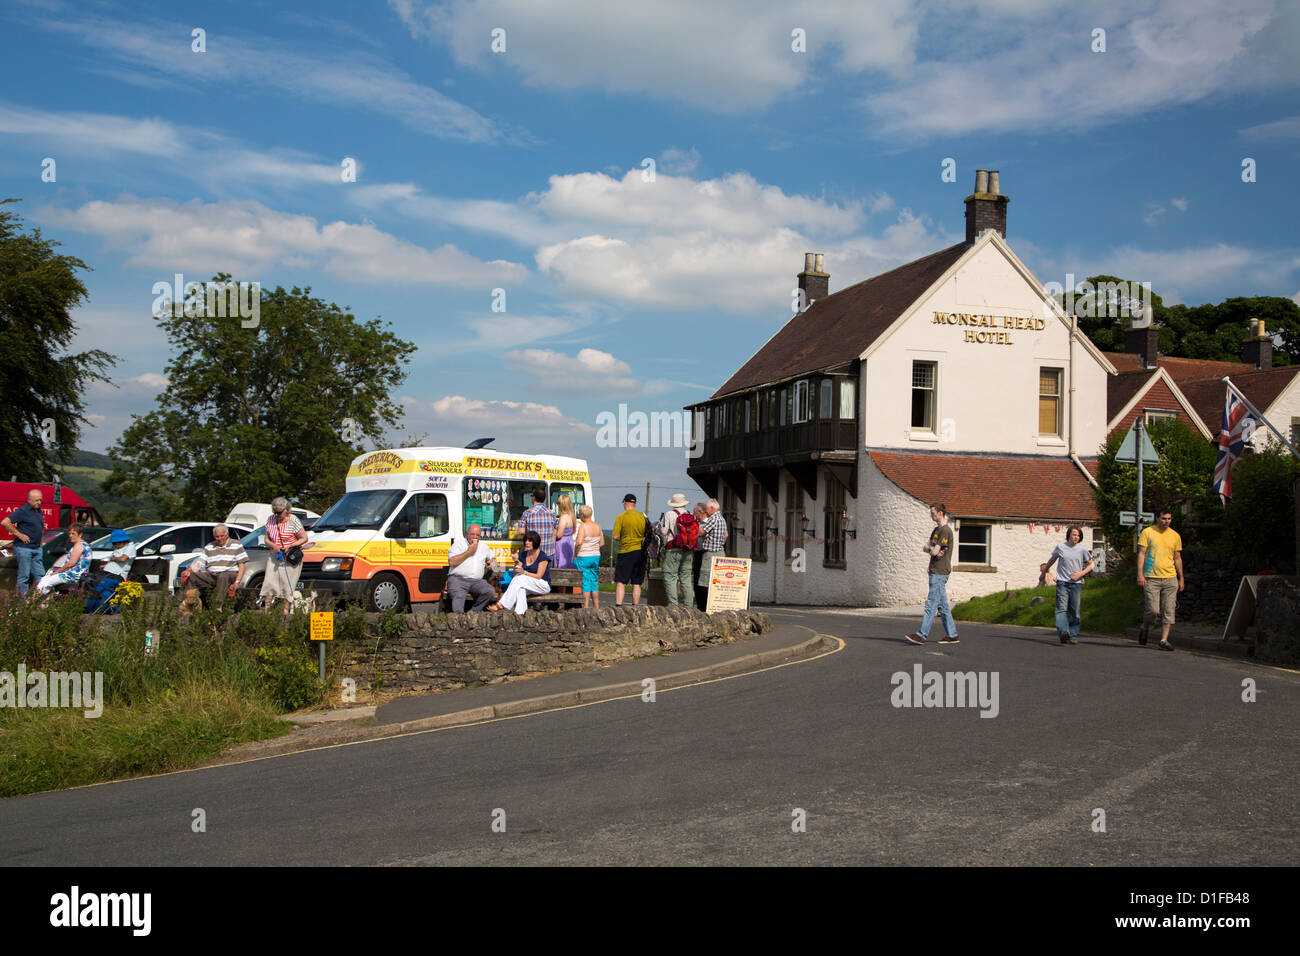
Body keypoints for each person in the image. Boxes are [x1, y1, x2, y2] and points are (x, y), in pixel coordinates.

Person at [905, 503, 959, 645]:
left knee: (931, 605)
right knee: (942, 606)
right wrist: (932, 552)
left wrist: (932, 550)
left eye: (933, 512)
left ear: (940, 513)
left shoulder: (945, 531)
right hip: (934, 569)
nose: (931, 515)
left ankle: (921, 635)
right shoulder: (936, 530)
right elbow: (927, 547)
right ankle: (952, 635)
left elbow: (934, 551)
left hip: (941, 571)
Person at [1137, 508, 1184, 652]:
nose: (1166, 521)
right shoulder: (1148, 532)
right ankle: (1145, 626)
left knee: (1169, 610)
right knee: (1153, 610)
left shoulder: (1175, 535)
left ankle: (1164, 639)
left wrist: (1181, 578)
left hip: (1170, 577)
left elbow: (1177, 557)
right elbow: (1142, 554)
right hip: (1151, 577)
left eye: (1169, 519)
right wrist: (1140, 574)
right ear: (1157, 518)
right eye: (1164, 518)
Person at [1039, 525, 1095, 645]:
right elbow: (1052, 560)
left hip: (1076, 584)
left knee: (1075, 612)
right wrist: (1043, 573)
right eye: (1074, 534)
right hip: (1062, 583)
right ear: (1069, 535)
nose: (1076, 537)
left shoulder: (1082, 550)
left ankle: (1073, 635)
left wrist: (1081, 574)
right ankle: (1063, 632)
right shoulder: (1061, 547)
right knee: (1061, 609)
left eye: (1078, 535)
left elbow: (1091, 564)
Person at [260, 497, 309, 614]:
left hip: (289, 556)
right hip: (274, 555)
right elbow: (266, 539)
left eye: (279, 512)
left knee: (287, 584)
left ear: (286, 510)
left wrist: (290, 545)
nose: (276, 515)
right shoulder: (271, 519)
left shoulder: (294, 520)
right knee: (269, 582)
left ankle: (285, 611)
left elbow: (304, 538)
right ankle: (266, 610)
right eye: (274, 512)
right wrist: (273, 545)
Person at [487, 530, 550, 615]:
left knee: (520, 579)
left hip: (542, 585)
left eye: (530, 541)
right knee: (520, 589)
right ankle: (520, 614)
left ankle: (501, 605)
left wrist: (524, 572)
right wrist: (516, 562)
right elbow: (516, 572)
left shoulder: (542, 556)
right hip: (527, 583)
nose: (527, 543)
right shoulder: (523, 554)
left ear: (535, 542)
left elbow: (539, 576)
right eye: (526, 540)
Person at [186, 524, 248, 608]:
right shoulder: (209, 546)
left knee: (223, 576)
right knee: (191, 576)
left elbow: (242, 565)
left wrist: (237, 582)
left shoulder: (236, 545)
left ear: (227, 535)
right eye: (217, 536)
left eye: (221, 536)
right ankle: (191, 602)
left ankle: (218, 606)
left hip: (229, 574)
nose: (219, 539)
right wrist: (189, 570)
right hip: (212, 575)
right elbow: (200, 562)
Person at [3, 488, 45, 597]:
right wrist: (19, 534)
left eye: (40, 500)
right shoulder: (23, 511)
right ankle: (22, 602)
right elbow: (5, 522)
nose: (39, 502)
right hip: (24, 548)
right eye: (36, 500)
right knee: (24, 576)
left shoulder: (39, 511)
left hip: (36, 548)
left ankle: (42, 600)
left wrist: (40, 542)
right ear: (29, 500)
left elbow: (39, 528)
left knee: (41, 576)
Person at [447, 523, 497, 613]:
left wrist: (492, 563)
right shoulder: (458, 545)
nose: (475, 537)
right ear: (467, 534)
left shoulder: (483, 546)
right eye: (472, 534)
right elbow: (452, 562)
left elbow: (493, 559)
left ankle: (472, 613)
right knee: (458, 595)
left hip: (476, 581)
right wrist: (469, 552)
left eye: (477, 535)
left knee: (489, 591)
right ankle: (458, 619)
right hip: (458, 579)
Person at [659, 493, 696, 608]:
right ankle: (689, 605)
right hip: (688, 549)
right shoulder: (691, 515)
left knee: (670, 577)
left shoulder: (669, 514)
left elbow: (664, 532)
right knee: (686, 577)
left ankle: (673, 605)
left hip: (673, 549)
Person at [85, 529, 136, 610]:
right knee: (88, 580)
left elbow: (123, 559)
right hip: (107, 573)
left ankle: (94, 605)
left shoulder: (130, 547)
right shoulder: (119, 548)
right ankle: (90, 604)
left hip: (116, 575)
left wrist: (113, 559)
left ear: (123, 541)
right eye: (113, 543)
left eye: (115, 543)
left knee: (99, 584)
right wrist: (106, 565)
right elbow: (116, 561)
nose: (114, 545)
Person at [35, 523, 91, 596]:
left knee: (45, 581)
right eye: (70, 533)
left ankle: (30, 603)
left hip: (74, 575)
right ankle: (44, 603)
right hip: (77, 574)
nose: (70, 536)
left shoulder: (79, 546)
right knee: (46, 580)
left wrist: (57, 572)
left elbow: (71, 564)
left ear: (80, 534)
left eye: (73, 534)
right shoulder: (85, 545)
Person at [612, 493, 647, 606]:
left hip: (626, 551)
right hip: (640, 552)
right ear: (635, 504)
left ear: (624, 503)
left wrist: (624, 538)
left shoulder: (621, 517)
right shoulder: (642, 516)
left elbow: (616, 536)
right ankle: (635, 606)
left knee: (621, 581)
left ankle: (618, 605)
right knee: (636, 582)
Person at [696, 497, 729, 606]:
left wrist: (694, 530)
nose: (705, 511)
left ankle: (705, 606)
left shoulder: (713, 519)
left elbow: (701, 532)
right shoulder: (722, 519)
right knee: (717, 580)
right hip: (720, 552)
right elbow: (726, 536)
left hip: (710, 554)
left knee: (706, 581)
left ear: (712, 508)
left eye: (706, 509)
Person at [572, 504, 604, 608]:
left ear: (582, 515)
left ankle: (585, 607)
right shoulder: (598, 526)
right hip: (595, 556)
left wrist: (575, 554)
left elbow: (579, 542)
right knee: (594, 581)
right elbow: (602, 543)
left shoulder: (583, 526)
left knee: (585, 582)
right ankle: (596, 606)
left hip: (584, 556)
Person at [691, 502, 709, 610]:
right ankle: (699, 604)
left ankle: (704, 605)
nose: (694, 515)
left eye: (695, 513)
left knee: (704, 579)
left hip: (705, 553)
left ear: (700, 512)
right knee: (697, 579)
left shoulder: (708, 524)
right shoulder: (697, 523)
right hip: (697, 553)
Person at [553, 494, 576, 570]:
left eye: (558, 503)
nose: (557, 505)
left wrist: (553, 533)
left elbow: (559, 535)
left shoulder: (563, 517)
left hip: (562, 544)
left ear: (562, 505)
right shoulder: (572, 516)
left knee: (561, 563)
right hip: (569, 541)